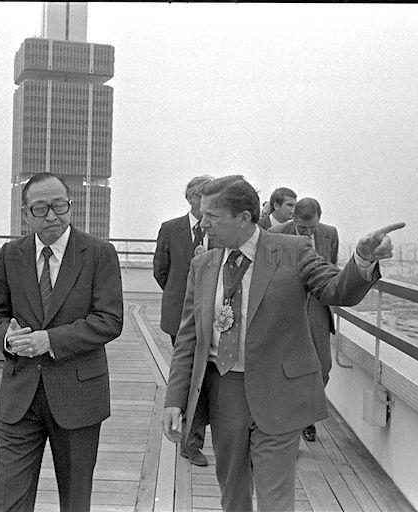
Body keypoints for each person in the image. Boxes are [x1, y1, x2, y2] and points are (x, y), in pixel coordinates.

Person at [162, 175, 403, 511]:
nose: (202, 224)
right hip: (223, 392)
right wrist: (175, 399)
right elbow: (189, 339)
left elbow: (335, 290)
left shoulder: (293, 251)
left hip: (278, 391)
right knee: (232, 493)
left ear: (243, 218)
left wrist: (362, 261)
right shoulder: (203, 264)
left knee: (275, 499)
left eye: (211, 217)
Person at [0, 172, 124, 512]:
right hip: (20, 398)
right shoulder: (11, 254)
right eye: (41, 208)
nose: (52, 216)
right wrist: (8, 336)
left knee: (75, 503)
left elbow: (110, 320)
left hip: (78, 398)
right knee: (7, 501)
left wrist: (49, 340)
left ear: (70, 206)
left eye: (59, 206)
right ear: (25, 213)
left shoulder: (98, 253)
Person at [153, 174, 214, 467]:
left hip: (218, 317)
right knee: (190, 377)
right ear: (191, 198)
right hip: (180, 316)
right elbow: (160, 270)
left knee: (210, 379)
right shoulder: (171, 229)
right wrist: (183, 296)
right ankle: (191, 442)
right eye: (206, 197)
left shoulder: (220, 229)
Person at [270, 197, 339, 443]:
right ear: (294, 219)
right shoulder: (276, 233)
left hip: (318, 308)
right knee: (287, 367)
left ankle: (305, 415)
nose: (308, 232)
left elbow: (331, 274)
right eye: (303, 227)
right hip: (288, 308)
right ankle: (296, 420)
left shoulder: (330, 234)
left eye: (312, 228)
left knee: (323, 367)